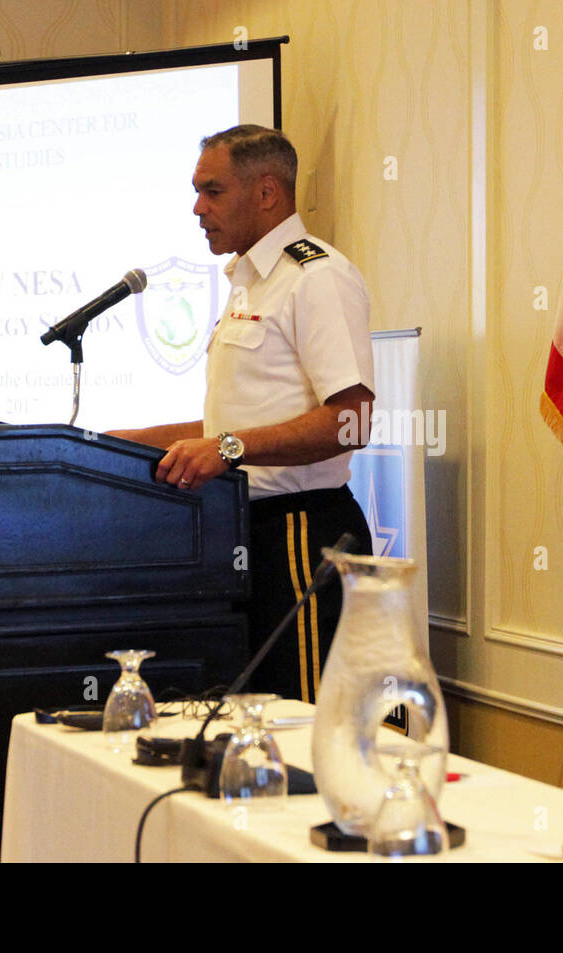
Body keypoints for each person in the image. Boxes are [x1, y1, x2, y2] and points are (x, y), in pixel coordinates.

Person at [110, 125, 375, 703]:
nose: (197, 208)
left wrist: (227, 450)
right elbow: (228, 423)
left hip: (301, 537)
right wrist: (123, 443)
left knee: (301, 721)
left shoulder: (317, 277)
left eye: (213, 191)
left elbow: (351, 422)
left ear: (266, 193)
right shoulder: (248, 283)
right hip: (239, 533)